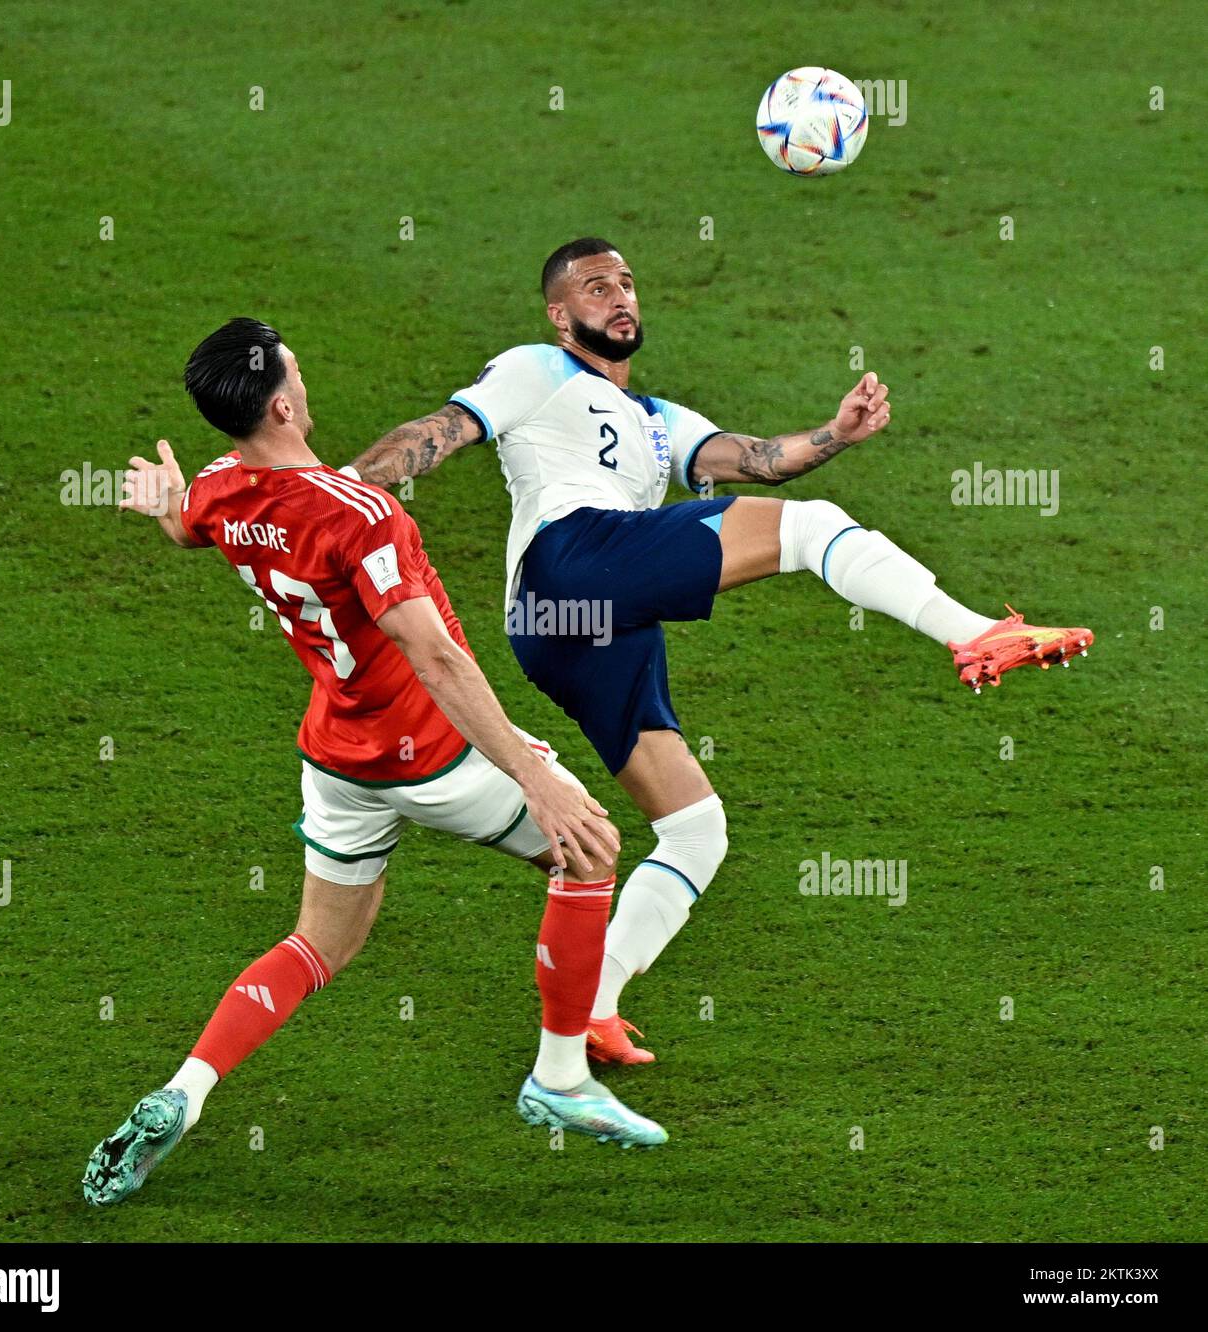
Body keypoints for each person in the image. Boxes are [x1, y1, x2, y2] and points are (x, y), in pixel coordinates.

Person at [347, 237, 1094, 1065]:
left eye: (627, 283)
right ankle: (974, 632)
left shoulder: (658, 421)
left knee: (697, 830)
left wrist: (837, 433)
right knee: (812, 529)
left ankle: (591, 1008)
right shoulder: (536, 369)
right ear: (561, 316)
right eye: (596, 288)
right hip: (570, 562)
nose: (620, 297)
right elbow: (440, 432)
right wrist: (339, 491)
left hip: (564, 631)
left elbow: (757, 462)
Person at [83, 319, 666, 1208]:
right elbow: (435, 659)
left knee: (317, 942)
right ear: (283, 402)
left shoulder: (220, 489)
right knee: (587, 850)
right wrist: (533, 775)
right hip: (429, 755)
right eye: (296, 368)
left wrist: (164, 500)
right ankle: (558, 1080)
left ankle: (184, 1092)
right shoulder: (365, 517)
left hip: (336, 758)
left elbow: (188, 527)